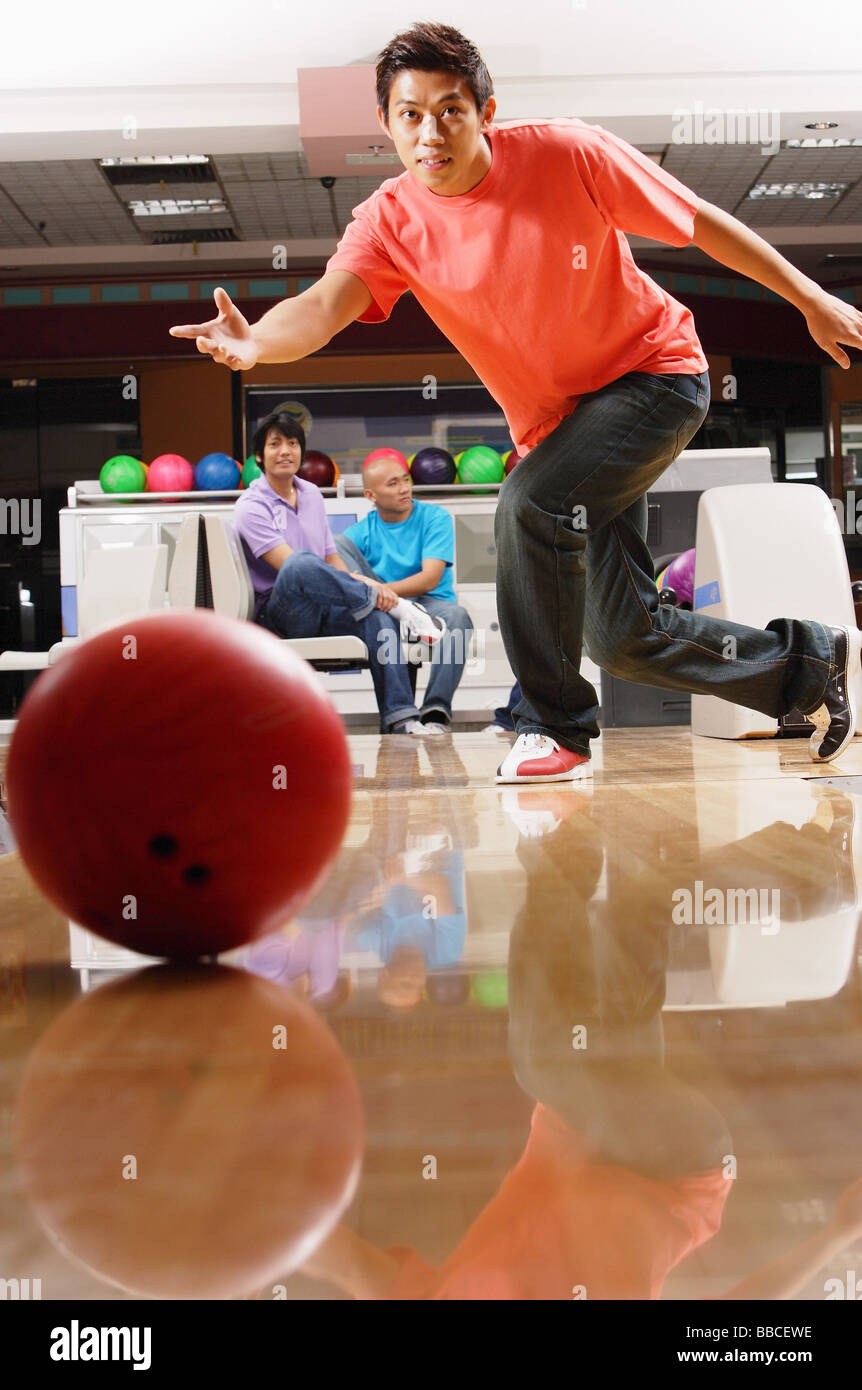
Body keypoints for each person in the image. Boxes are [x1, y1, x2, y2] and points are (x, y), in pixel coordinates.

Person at [171, 21, 862, 785]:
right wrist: (259, 343)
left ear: (486, 111)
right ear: (386, 125)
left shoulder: (569, 153)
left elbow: (700, 223)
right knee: (622, 638)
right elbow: (326, 304)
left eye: (450, 110)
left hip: (655, 377)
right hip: (565, 426)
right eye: (410, 114)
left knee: (528, 505)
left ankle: (551, 726)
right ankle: (806, 664)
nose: (430, 132)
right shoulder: (391, 219)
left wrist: (808, 298)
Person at [233, 407, 448, 737]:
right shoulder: (250, 505)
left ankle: (401, 719)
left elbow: (330, 556)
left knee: (376, 617)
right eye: (275, 444)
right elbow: (293, 567)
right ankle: (402, 607)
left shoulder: (311, 494)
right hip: (280, 612)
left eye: (292, 442)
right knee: (300, 563)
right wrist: (371, 589)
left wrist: (356, 584)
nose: (285, 451)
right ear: (259, 457)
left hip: (320, 607)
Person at [334, 453, 473, 731]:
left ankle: (435, 711)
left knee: (459, 618)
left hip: (430, 605)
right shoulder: (361, 532)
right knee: (337, 543)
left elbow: (429, 579)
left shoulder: (434, 517)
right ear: (371, 495)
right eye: (393, 483)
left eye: (406, 480)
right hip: (387, 612)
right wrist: (388, 601)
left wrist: (381, 592)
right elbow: (347, 580)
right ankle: (401, 720)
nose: (404, 488)